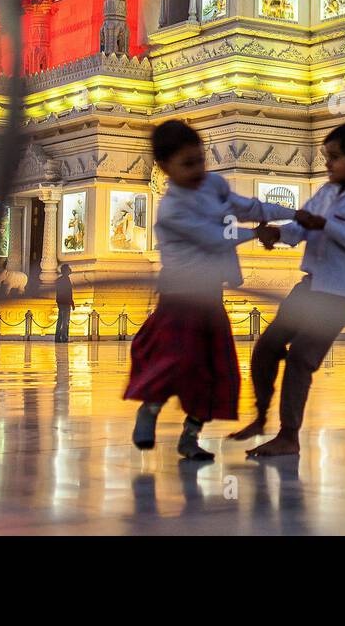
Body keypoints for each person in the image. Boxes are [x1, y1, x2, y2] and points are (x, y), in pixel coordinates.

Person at [125, 120, 292, 460]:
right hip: (179, 297)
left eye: (200, 159)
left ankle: (191, 435)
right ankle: (150, 410)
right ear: (164, 167)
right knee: (174, 361)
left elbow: (247, 208)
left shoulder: (213, 185)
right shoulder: (171, 208)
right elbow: (211, 238)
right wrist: (257, 235)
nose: (198, 169)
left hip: (210, 296)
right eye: (187, 164)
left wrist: (293, 213)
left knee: (215, 370)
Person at [231, 121, 345, 457]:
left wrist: (325, 225)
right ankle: (261, 417)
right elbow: (302, 228)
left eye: (334, 157)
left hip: (339, 293)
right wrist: (279, 234)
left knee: (301, 358)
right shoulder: (326, 192)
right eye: (326, 157)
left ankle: (289, 435)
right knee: (266, 347)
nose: (328, 164)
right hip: (310, 285)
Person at [54, 263, 74, 343]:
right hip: (65, 303)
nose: (70, 270)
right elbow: (67, 293)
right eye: (69, 269)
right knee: (65, 321)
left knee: (60, 320)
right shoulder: (65, 280)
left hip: (62, 302)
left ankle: (58, 337)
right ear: (65, 271)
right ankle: (64, 338)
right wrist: (70, 302)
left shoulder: (60, 280)